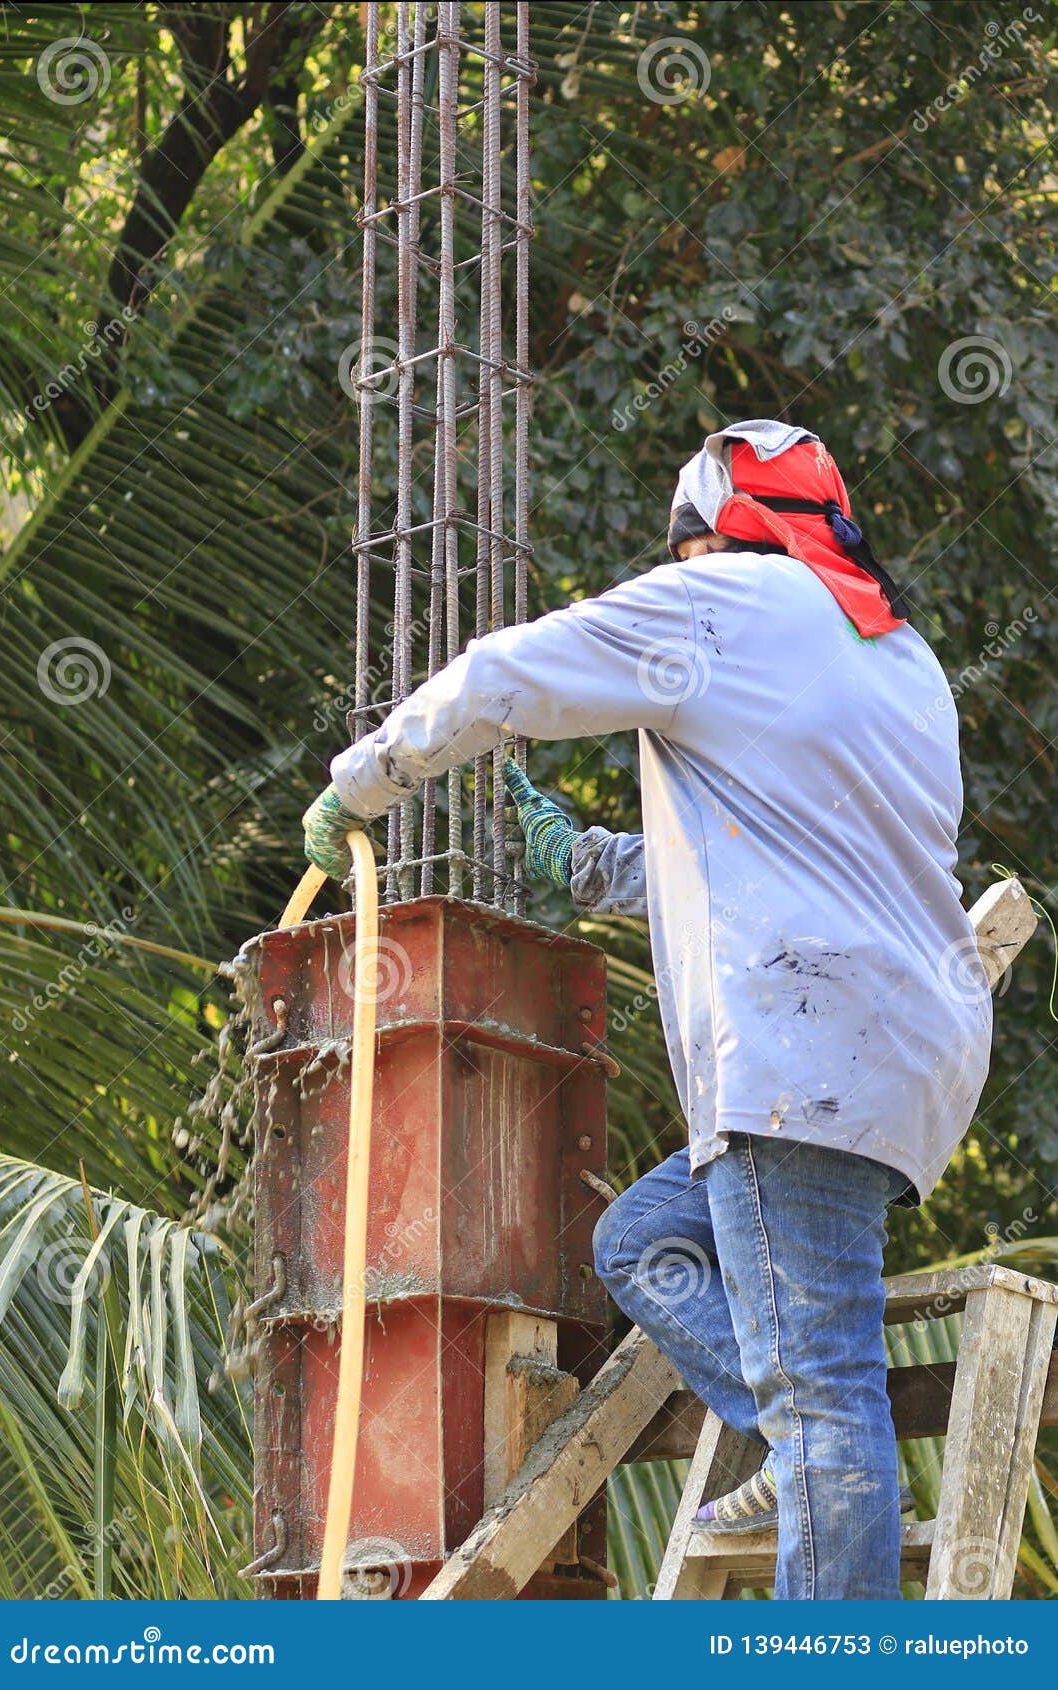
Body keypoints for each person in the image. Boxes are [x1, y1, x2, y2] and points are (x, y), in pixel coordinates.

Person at [302, 418, 993, 1600]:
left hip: (797, 1058)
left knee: (827, 1398)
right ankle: (788, 1443)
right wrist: (590, 862)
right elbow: (790, 841)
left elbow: (501, 675)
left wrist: (362, 780)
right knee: (640, 1240)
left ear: (710, 535)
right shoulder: (899, 655)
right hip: (898, 1057)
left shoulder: (718, 604)